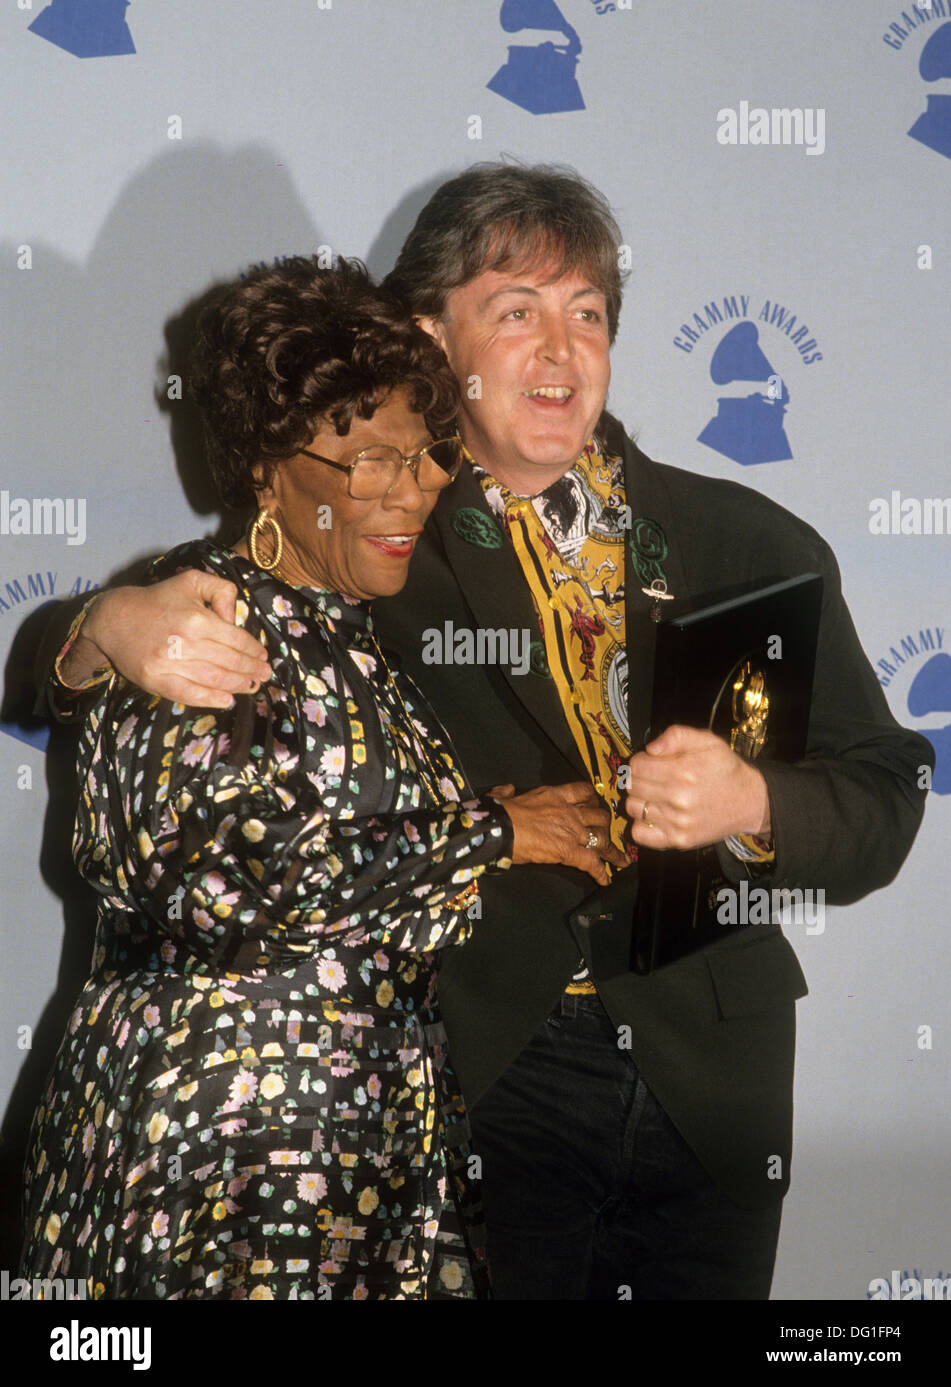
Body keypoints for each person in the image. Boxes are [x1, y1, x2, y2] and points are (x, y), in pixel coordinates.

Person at [35, 165, 933, 1300]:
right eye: (517, 311)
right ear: (427, 337)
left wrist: (756, 806)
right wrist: (100, 622)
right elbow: (216, 622)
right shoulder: (376, 531)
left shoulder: (751, 540)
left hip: (714, 1086)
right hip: (477, 1075)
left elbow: (886, 791)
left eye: (588, 313)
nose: (562, 351)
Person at [19, 254, 623, 1301]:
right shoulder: (195, 620)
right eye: (372, 461)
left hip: (368, 1151)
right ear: (265, 467)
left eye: (427, 453)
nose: (420, 484)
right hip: (224, 1159)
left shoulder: (355, 636)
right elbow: (228, 882)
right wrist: (494, 833)